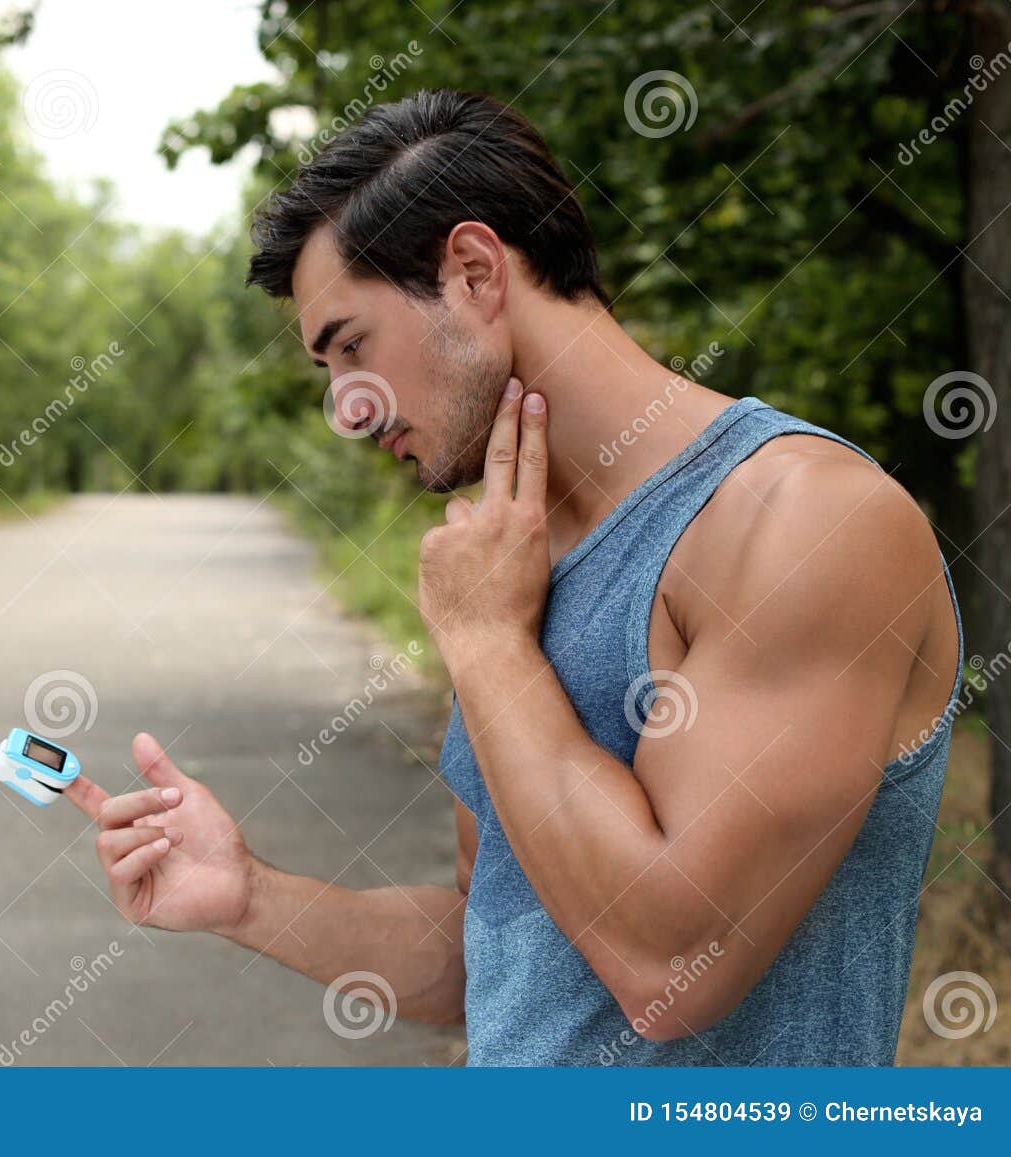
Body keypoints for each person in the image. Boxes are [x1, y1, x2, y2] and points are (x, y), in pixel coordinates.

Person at [64, 90, 963, 1065]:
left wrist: (487, 642)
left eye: (352, 346)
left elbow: (669, 966)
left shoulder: (805, 520)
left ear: (474, 273)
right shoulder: (509, 562)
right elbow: (495, 949)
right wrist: (248, 893)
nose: (347, 409)